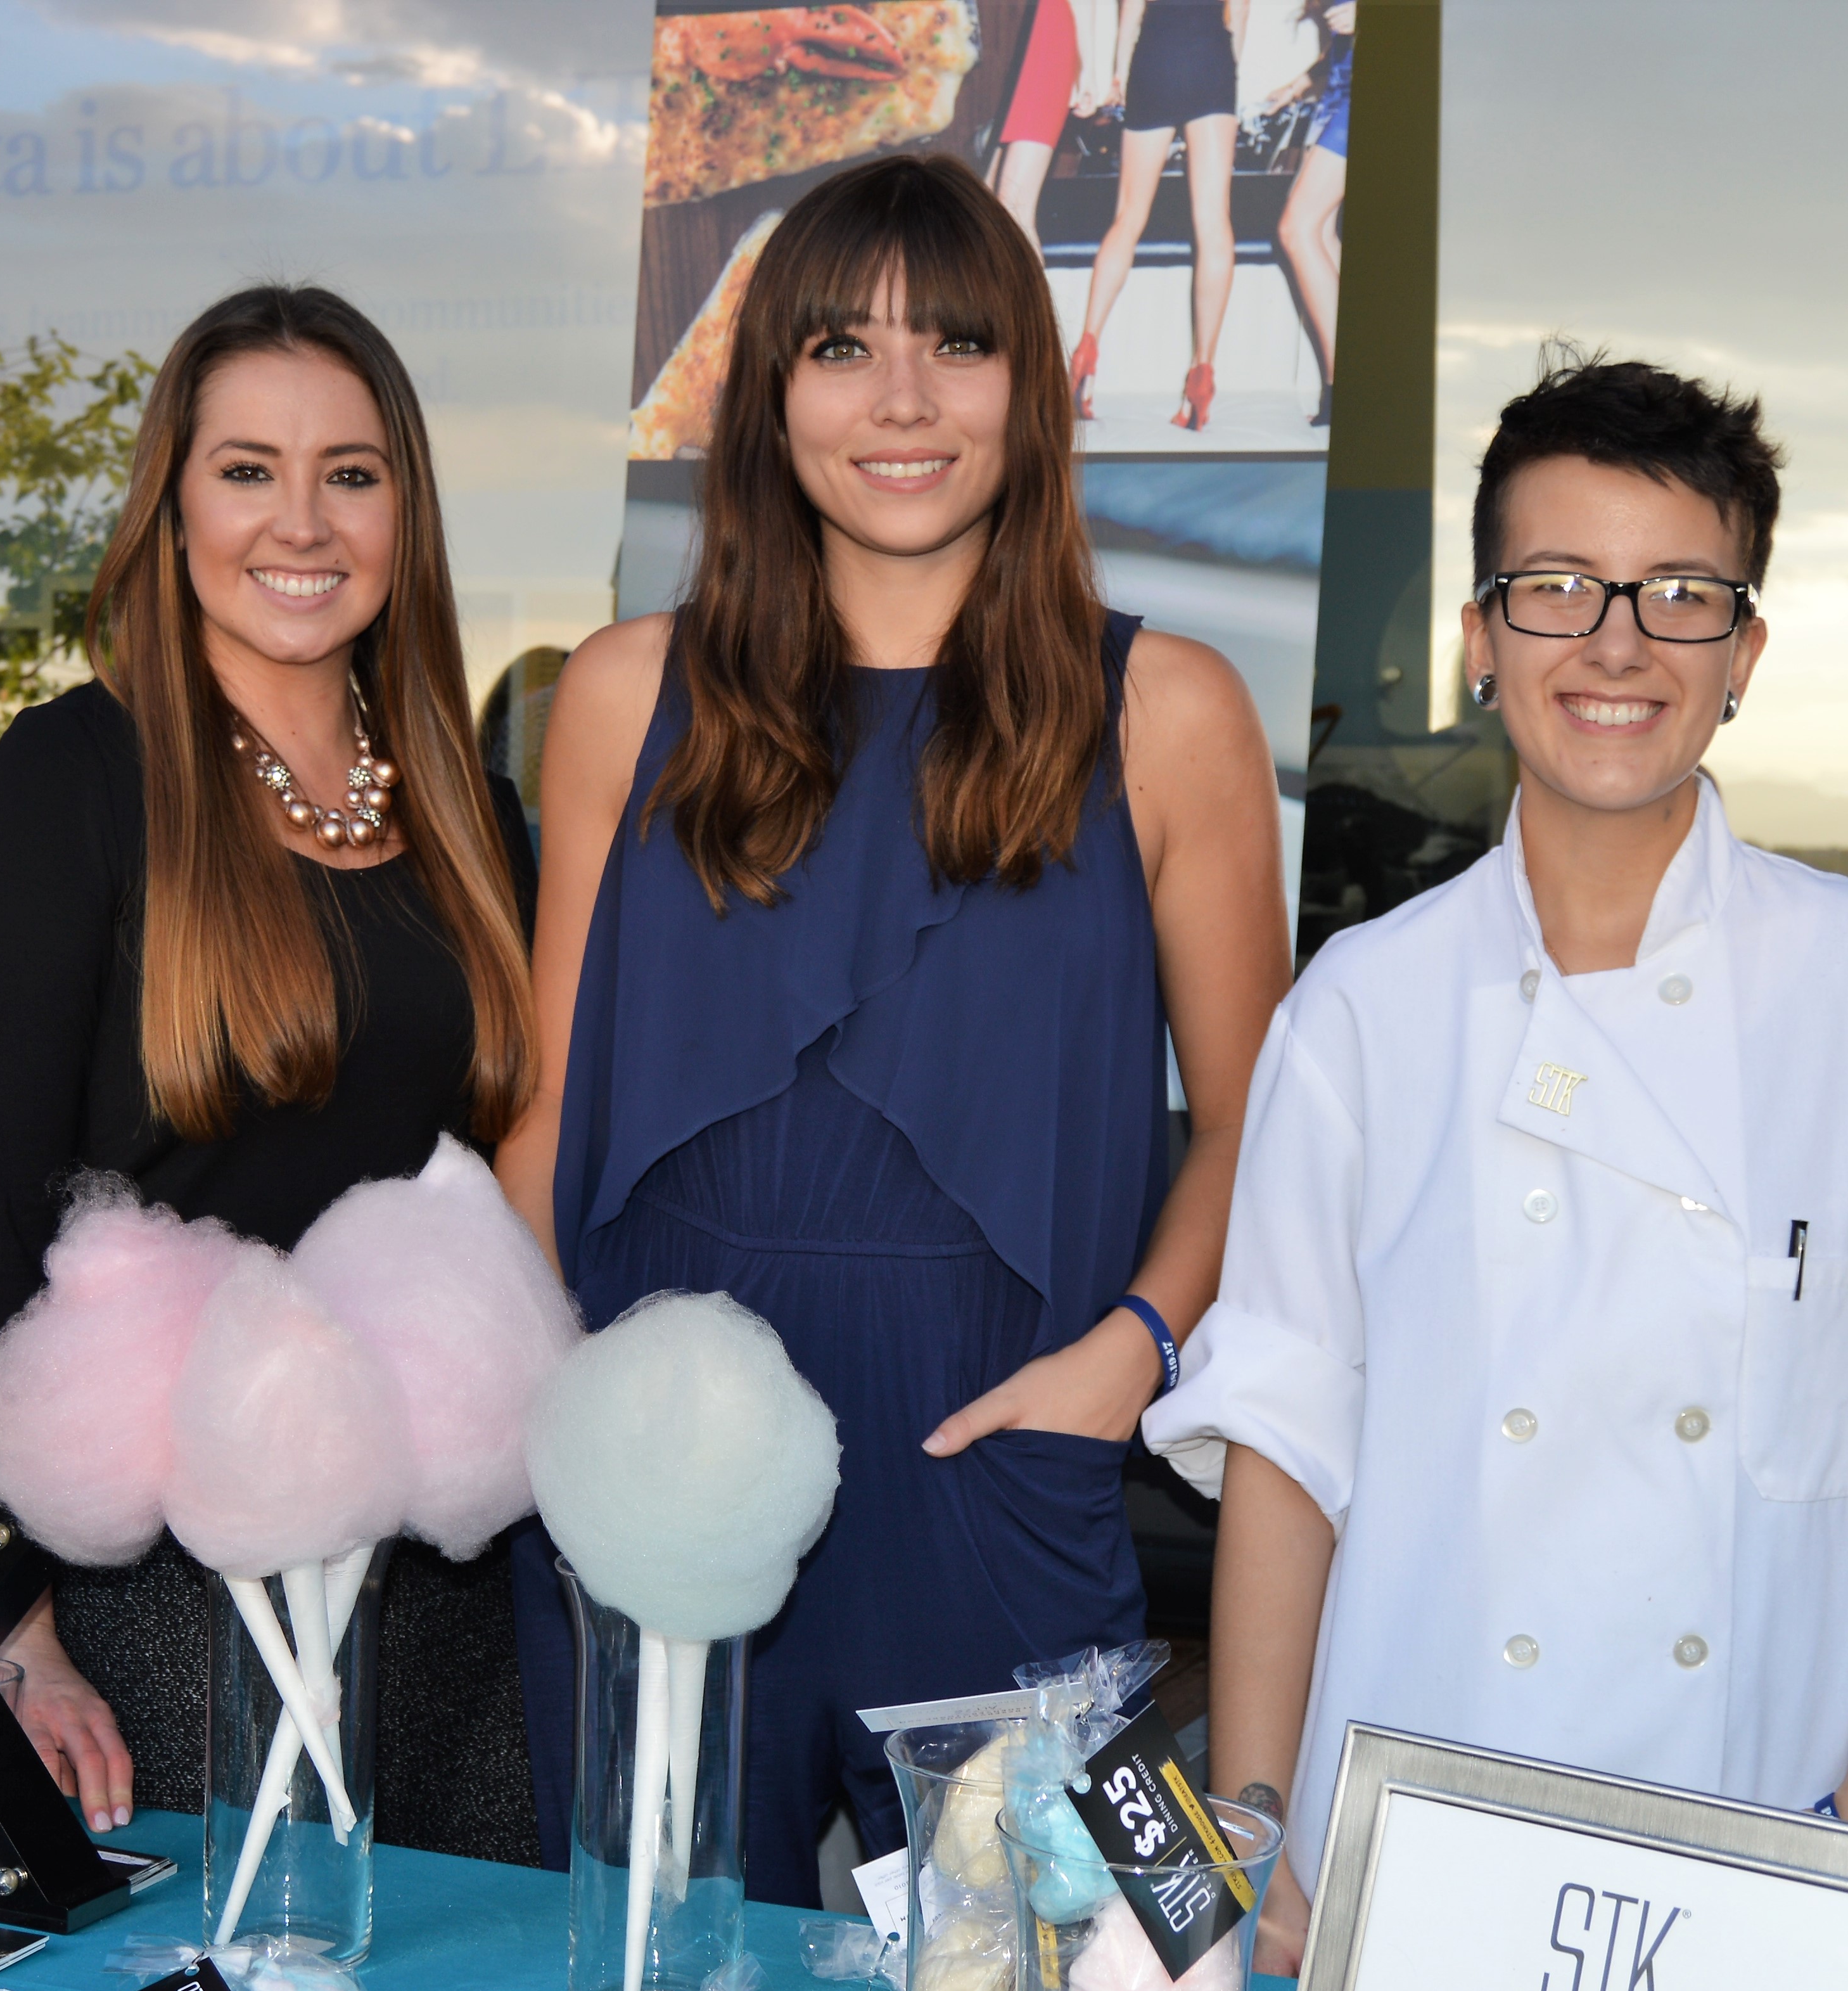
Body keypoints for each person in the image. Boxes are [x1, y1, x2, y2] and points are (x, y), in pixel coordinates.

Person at [1152, 354, 1848, 1969]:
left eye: (1680, 596)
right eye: (1558, 586)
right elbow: (1284, 1443)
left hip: (1754, 1854)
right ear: (1478, 638)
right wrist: (1259, 1833)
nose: (1616, 643)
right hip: (1402, 1839)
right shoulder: (1362, 1008)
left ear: (1745, 654)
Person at [497, 154, 1289, 1903]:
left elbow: (1260, 1125)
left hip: (997, 1476)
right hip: (658, 1483)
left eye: (957, 344)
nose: (904, 400)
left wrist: (1128, 1360)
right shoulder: (625, 693)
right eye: (843, 348)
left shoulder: (1165, 709)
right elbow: (549, 1103)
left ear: (1032, 388)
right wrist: (525, 1400)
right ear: (769, 394)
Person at [0, 286, 540, 1855]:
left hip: (444, 1571)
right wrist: (15, 1621)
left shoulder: (476, 813)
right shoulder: (70, 783)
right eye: (246, 469)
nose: (302, 521)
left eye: (351, 471)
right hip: (164, 1571)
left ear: (404, 508)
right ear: (173, 506)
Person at [1074, 0, 1242, 430]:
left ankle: (1085, 354)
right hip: (1211, 61)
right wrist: (1226, 79)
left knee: (1127, 216)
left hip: (1153, 60)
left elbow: (1130, 15)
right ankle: (1202, 374)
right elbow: (1237, 16)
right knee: (1214, 222)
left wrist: (1117, 74)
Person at [1268, 1, 1349, 428]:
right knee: (1317, 233)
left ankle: (1345, 388)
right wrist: (1297, 85)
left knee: (1297, 229)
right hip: (1341, 92)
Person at [993, 0, 1115, 242]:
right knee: (1001, 210)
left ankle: (1030, 279)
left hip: (1051, 37)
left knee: (1013, 211)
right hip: (1039, 36)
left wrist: (1088, 71)